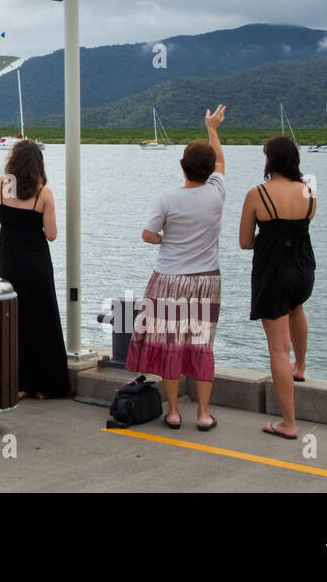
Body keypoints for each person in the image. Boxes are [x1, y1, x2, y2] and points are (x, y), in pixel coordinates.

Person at [125, 106, 227, 432]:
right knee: (200, 344)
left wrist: (167, 240)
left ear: (182, 168)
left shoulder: (167, 198)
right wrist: (212, 129)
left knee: (170, 345)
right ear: (209, 170)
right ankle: (204, 413)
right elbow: (221, 162)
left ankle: (172, 412)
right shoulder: (217, 193)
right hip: (205, 281)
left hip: (169, 279)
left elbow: (147, 234)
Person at [239, 135, 316, 441]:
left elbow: (245, 242)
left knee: (277, 349)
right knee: (297, 308)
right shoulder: (309, 192)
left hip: (273, 274)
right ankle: (302, 366)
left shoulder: (257, 194)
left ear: (270, 160)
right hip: (303, 271)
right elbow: (301, 227)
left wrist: (268, 239)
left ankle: (288, 423)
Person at [0, 140, 70, 400]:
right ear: (38, 164)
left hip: (10, 264)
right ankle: (45, 386)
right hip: (37, 266)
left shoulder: (1, 184)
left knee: (14, 324)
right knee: (43, 322)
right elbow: (51, 234)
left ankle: (18, 384)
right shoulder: (44, 194)